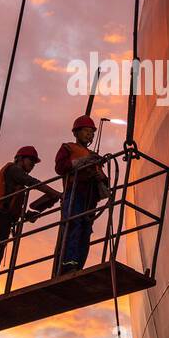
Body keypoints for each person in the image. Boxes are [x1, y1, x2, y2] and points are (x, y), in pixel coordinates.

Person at [0, 146, 59, 302]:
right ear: (19, 159)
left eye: (34, 163)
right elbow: (33, 182)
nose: (32, 165)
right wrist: (57, 194)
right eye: (30, 161)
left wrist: (25, 215)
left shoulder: (12, 178)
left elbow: (9, 202)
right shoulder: (14, 170)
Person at [55, 115, 110, 273]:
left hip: (89, 196)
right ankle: (68, 264)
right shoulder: (68, 148)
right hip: (74, 193)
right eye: (86, 131)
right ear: (76, 133)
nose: (89, 134)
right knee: (75, 224)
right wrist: (84, 161)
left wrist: (102, 177)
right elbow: (60, 168)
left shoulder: (93, 156)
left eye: (91, 132)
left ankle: (78, 265)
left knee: (86, 230)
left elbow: (104, 180)